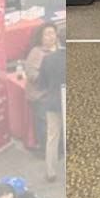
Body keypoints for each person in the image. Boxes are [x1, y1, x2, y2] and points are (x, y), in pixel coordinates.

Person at [23, 22, 65, 182]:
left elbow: (42, 82)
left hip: (52, 99)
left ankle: (50, 171)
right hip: (48, 97)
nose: (51, 37)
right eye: (47, 33)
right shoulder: (37, 53)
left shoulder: (49, 59)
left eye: (53, 33)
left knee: (52, 135)